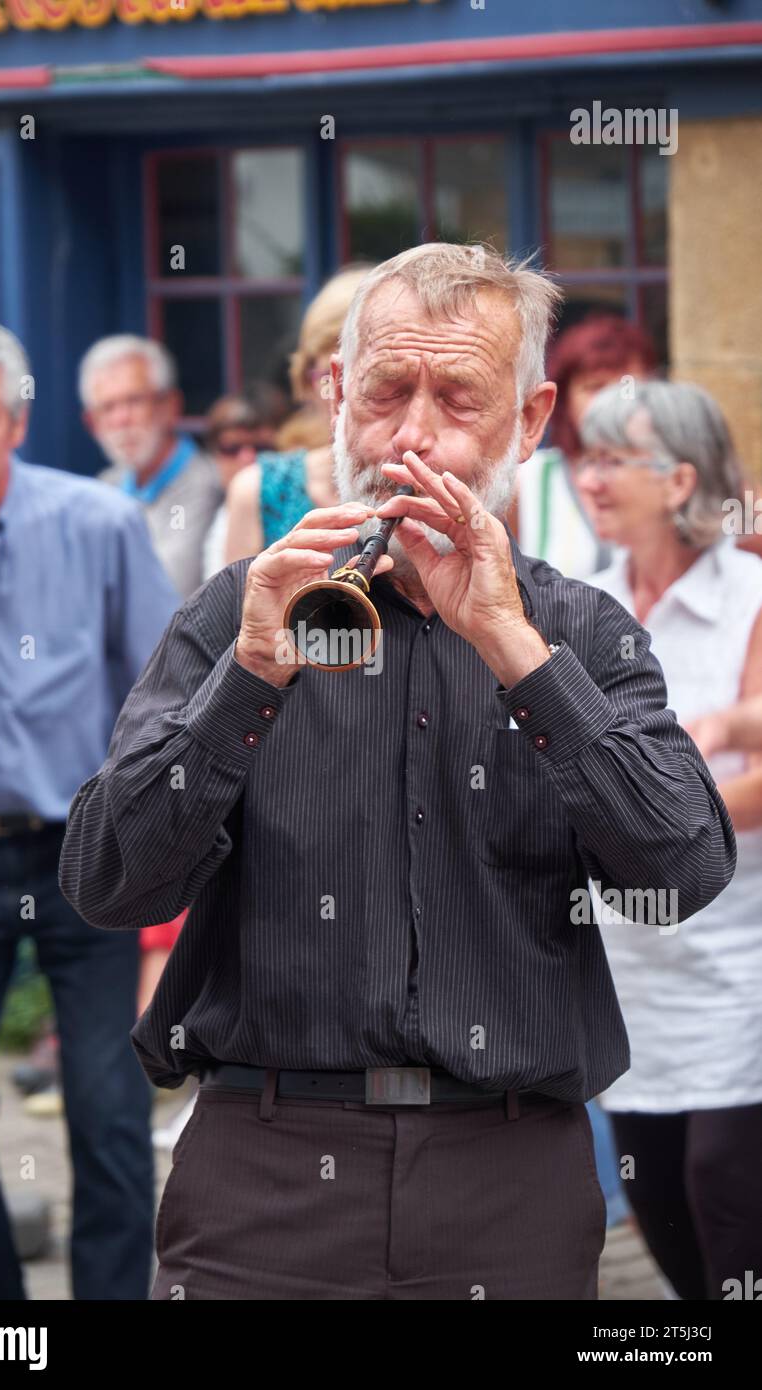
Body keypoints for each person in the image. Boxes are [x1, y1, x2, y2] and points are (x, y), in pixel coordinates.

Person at [59, 243, 734, 1302]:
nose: (412, 435)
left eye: (457, 398)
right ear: (335, 396)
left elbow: (683, 868)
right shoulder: (241, 611)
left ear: (526, 419)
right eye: (385, 392)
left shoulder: (578, 631)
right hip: (262, 1171)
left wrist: (513, 650)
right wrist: (246, 677)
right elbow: (108, 882)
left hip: (507, 1175)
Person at [0, 317, 179, 1300]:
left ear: (15, 421)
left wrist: (159, 839)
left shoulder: (94, 527)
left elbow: (159, 689)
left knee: (105, 1107)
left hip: (80, 851)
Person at [576, 379, 762, 1300]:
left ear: (682, 478)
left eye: (616, 459)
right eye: (587, 456)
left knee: (727, 1191)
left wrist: (657, 821)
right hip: (627, 966)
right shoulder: (585, 605)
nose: (590, 477)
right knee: (660, 1207)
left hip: (737, 956)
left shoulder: (751, 597)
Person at [224, 265, 372, 563]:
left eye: (373, 378)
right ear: (304, 380)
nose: (350, 395)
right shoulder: (257, 490)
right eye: (331, 378)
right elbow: (239, 606)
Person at [510, 314, 657, 578]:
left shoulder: (671, 474)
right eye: (595, 388)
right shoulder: (527, 482)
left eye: (625, 388)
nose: (609, 404)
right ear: (563, 399)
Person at [80, 333, 223, 600]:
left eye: (134, 401)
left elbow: (168, 589)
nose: (122, 419)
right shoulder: (104, 486)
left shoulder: (208, 483)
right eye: (108, 407)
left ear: (169, 406)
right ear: (91, 422)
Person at [201, 394, 277, 583]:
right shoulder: (209, 506)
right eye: (232, 448)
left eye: (261, 448)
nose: (247, 458)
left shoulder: (282, 513)